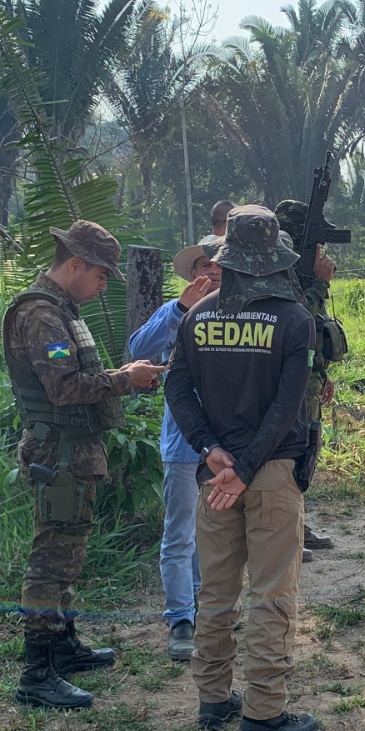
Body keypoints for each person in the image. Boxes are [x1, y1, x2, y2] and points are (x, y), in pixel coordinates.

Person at [165, 205, 319, 731]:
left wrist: (212, 453)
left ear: (227, 258)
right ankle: (263, 714)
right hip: (270, 473)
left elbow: (176, 390)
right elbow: (286, 406)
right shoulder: (295, 319)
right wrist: (248, 467)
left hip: (217, 475)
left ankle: (212, 699)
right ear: (272, 259)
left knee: (217, 590)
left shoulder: (195, 317)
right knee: (273, 592)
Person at [2, 220, 167, 709]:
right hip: (59, 454)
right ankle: (36, 672)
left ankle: (63, 646)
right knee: (50, 563)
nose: (102, 286)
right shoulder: (41, 316)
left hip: (74, 452)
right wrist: (125, 379)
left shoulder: (61, 311)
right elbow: (64, 386)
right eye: (99, 276)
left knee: (68, 555)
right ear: (74, 264)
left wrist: (125, 378)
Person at [126, 238, 224, 661]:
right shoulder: (176, 310)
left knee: (216, 532)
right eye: (204, 266)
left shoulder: (249, 312)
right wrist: (181, 310)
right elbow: (138, 351)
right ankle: (181, 618)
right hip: (185, 443)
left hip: (231, 445)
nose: (212, 272)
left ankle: (206, 603)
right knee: (180, 531)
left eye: (220, 264)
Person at [274, 199, 341, 556]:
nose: (322, 253)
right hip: (291, 387)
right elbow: (298, 322)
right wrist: (320, 284)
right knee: (292, 453)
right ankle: (285, 531)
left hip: (309, 383)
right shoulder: (285, 279)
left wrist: (323, 373)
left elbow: (315, 333)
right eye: (317, 245)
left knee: (307, 450)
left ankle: (295, 522)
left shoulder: (302, 278)